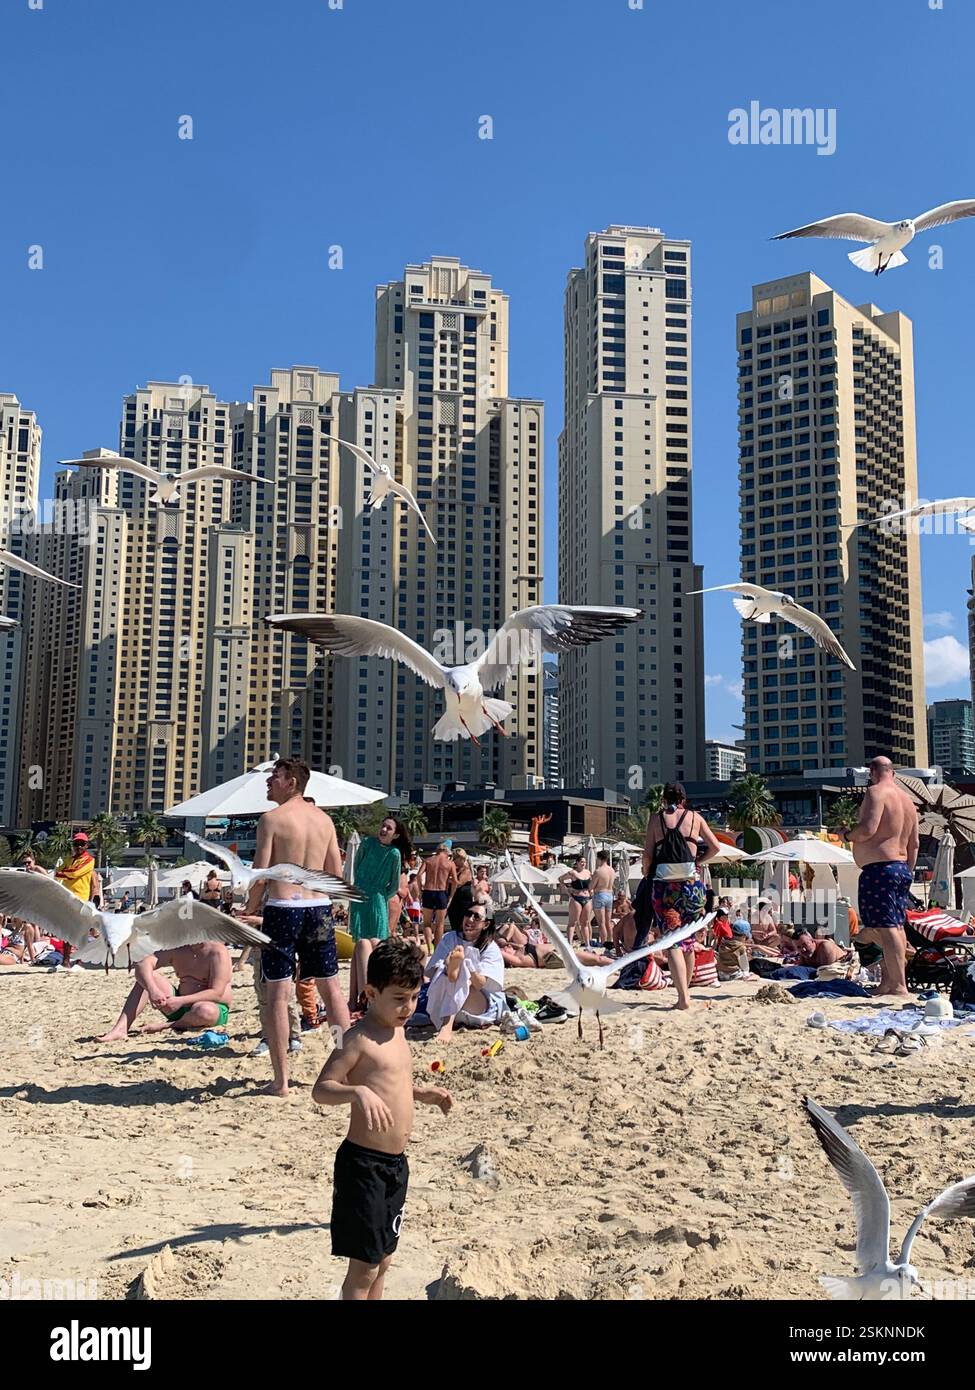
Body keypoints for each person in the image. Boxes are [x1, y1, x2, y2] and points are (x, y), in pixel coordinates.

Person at [313, 939, 451, 1301]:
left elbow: (393, 1081)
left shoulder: (398, 1030)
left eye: (414, 997)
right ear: (371, 993)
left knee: (385, 1259)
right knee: (364, 1267)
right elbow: (321, 1089)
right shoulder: (357, 1040)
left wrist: (421, 1093)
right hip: (363, 1167)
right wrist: (355, 1092)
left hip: (395, 1166)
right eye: (399, 999)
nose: (408, 1008)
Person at [243, 757, 350, 1097]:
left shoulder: (271, 820)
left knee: (278, 993)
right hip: (318, 907)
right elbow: (335, 875)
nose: (268, 782)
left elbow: (261, 874)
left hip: (284, 908)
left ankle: (282, 1080)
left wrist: (248, 909)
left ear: (292, 782)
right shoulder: (324, 821)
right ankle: (346, 1066)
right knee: (331, 992)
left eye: (274, 777)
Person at [844, 756, 919, 999]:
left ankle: (898, 985)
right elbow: (914, 844)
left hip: (881, 869)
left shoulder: (876, 792)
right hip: (900, 868)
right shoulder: (908, 801)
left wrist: (847, 835)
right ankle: (889, 981)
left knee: (885, 928)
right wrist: (907, 870)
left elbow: (867, 829)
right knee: (894, 926)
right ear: (893, 773)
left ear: (873, 772)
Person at [642, 782, 721, 1011]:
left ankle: (683, 998)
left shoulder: (656, 819)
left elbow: (648, 855)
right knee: (689, 940)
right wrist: (697, 861)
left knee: (672, 942)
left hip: (666, 887)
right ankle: (684, 994)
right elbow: (715, 847)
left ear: (664, 800)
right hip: (692, 886)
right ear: (684, 799)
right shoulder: (695, 818)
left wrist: (648, 873)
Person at [97, 942, 233, 1041]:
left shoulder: (217, 951)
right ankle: (121, 1029)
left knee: (204, 1010)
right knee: (147, 978)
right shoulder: (179, 947)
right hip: (179, 1006)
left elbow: (217, 992)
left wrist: (180, 1001)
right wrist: (152, 989)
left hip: (212, 1009)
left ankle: (167, 1026)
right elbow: (143, 964)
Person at [347, 817, 412, 1014]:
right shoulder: (366, 844)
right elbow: (356, 868)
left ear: (396, 834)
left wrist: (379, 893)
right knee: (359, 944)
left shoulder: (394, 854)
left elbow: (393, 885)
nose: (383, 829)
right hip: (360, 896)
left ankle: (367, 996)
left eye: (388, 828)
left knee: (376, 945)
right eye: (383, 825)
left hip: (377, 899)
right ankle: (355, 997)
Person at [423, 905, 506, 1043]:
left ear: (486, 924)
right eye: (468, 914)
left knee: (462, 972)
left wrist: (468, 969)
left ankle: (446, 1027)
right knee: (446, 974)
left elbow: (480, 984)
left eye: (477, 917)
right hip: (447, 999)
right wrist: (448, 967)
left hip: (478, 1005)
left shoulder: (490, 947)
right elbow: (432, 973)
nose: (470, 919)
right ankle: (453, 970)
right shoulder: (449, 938)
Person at [54, 832, 96, 971]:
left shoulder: (90, 860)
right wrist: (67, 872)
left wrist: (65, 872)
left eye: (81, 844)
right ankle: (65, 962)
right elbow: (57, 872)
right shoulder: (69, 859)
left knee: (81, 931)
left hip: (81, 899)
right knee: (67, 931)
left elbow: (74, 874)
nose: (78, 846)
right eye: (76, 843)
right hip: (68, 898)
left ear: (86, 845)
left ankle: (80, 962)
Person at [417, 843, 456, 951]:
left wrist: (420, 891)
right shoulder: (449, 863)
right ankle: (437, 949)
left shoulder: (428, 860)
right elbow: (455, 881)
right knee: (440, 924)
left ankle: (430, 947)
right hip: (441, 892)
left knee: (427, 923)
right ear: (446, 852)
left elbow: (418, 875)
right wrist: (451, 895)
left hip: (428, 891)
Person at [560, 856, 593, 947]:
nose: (583, 864)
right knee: (573, 922)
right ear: (577, 863)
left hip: (587, 898)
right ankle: (569, 943)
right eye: (581, 862)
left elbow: (591, 883)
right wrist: (567, 890)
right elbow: (560, 879)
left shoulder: (588, 872)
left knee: (585, 923)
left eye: (584, 862)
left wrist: (592, 890)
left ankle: (587, 944)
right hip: (576, 898)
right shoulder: (573, 873)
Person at [445, 848, 475, 936]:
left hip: (463, 900)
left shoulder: (466, 870)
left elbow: (459, 883)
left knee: (462, 922)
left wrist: (447, 880)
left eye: (455, 859)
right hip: (455, 898)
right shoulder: (456, 870)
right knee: (454, 921)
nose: (454, 861)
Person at [590, 852, 616, 947]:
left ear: (599, 858)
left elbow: (591, 886)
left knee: (601, 923)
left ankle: (604, 942)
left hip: (600, 894)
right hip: (610, 895)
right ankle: (610, 941)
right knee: (608, 921)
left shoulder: (598, 871)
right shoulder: (612, 870)